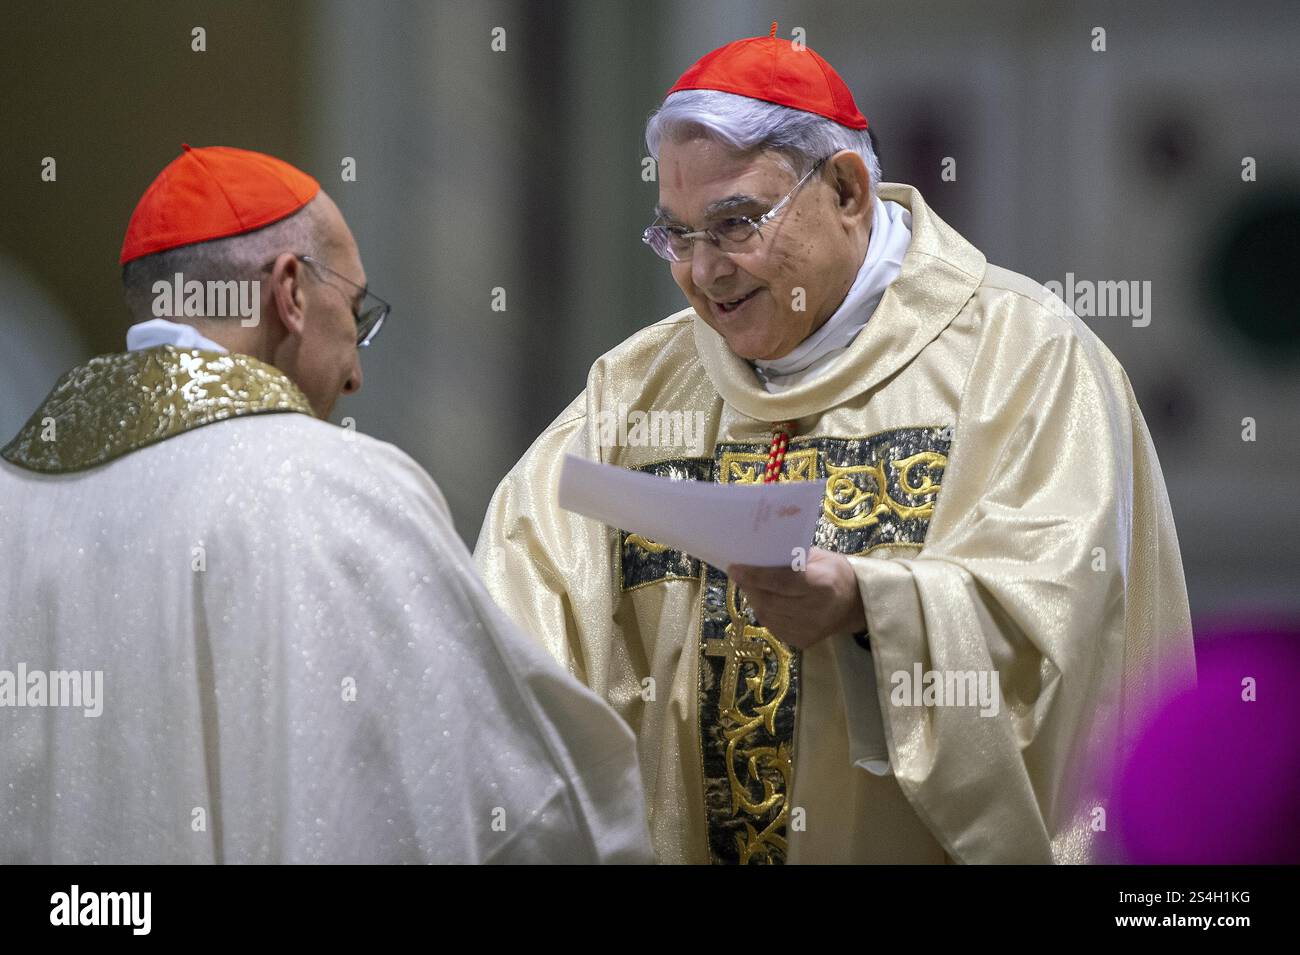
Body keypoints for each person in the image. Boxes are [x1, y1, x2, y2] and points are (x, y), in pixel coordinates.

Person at [475, 29, 1195, 864]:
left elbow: (1064, 633)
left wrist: (867, 610)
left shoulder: (1025, 360)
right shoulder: (632, 394)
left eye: (734, 224)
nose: (704, 272)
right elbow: (515, 618)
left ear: (848, 189)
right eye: (676, 236)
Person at [0, 145, 653, 864]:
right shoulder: (344, 493)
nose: (356, 377)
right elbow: (515, 804)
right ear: (290, 292)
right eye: (356, 309)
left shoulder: (17, 497)